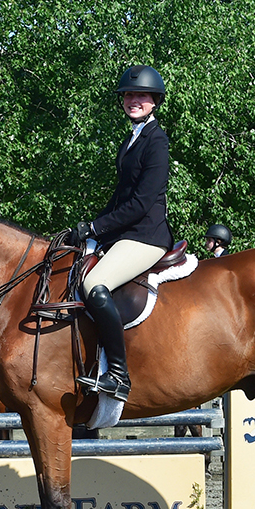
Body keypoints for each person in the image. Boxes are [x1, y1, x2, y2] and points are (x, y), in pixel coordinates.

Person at [66, 65, 173, 402]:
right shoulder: (132, 138)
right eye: (128, 95)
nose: (132, 100)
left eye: (140, 95)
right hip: (126, 232)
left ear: (154, 100)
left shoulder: (157, 141)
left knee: (93, 285)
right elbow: (120, 196)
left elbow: (141, 203)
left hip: (147, 235)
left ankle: (117, 374)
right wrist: (87, 229)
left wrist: (98, 228)